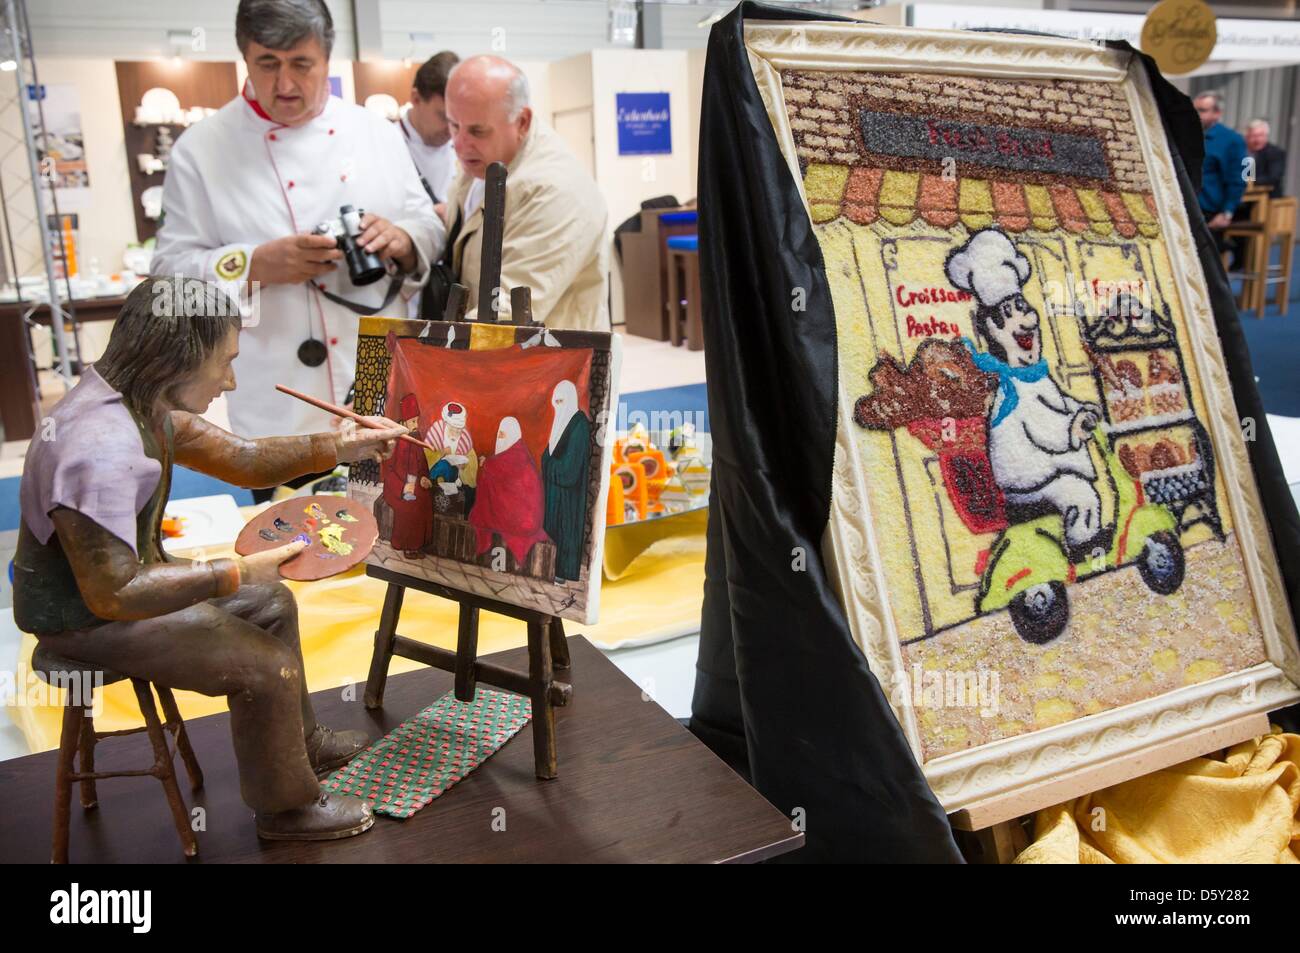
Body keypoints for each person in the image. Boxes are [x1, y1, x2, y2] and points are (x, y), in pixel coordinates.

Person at [12, 277, 409, 841]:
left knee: (270, 601)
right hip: (83, 618)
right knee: (265, 665)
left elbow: (242, 459)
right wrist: (235, 571)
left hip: (113, 594)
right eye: (224, 363)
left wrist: (342, 445)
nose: (230, 381)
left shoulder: (135, 402)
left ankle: (298, 747)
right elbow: (115, 594)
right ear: (179, 358)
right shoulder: (98, 445)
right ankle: (287, 810)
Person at [152, 0, 443, 487]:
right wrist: (252, 264)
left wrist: (404, 238)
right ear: (244, 57)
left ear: (327, 60)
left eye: (301, 65)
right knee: (288, 546)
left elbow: (427, 225)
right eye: (268, 64)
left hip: (379, 374)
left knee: (393, 526)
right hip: (274, 394)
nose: (284, 84)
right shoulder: (201, 149)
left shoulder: (376, 133)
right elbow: (166, 284)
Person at [945, 229, 1108, 563]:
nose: (1027, 321)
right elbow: (1042, 426)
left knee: (1078, 488)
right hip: (1026, 481)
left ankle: (1084, 538)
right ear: (991, 332)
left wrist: (1080, 410)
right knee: (1080, 494)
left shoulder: (1036, 375)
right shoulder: (1014, 385)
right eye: (1010, 317)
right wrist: (1072, 430)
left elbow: (1059, 403)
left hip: (1048, 470)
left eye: (1024, 310)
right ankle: (1082, 545)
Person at [443, 55, 609, 330]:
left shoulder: (556, 192)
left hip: (551, 368)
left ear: (521, 121)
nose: (459, 144)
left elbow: (505, 314)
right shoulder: (481, 164)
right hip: (495, 361)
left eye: (477, 130)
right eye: (453, 125)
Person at [468, 417, 549, 568]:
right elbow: (502, 472)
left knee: (482, 506)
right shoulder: (519, 453)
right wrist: (489, 463)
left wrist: (487, 464)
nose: (500, 438)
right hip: (527, 519)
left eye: (504, 435)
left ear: (513, 436)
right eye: (500, 434)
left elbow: (502, 469)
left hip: (522, 520)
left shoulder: (516, 455)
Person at [541, 380, 591, 581]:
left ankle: (563, 572)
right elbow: (547, 456)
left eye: (562, 401)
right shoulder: (561, 424)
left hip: (568, 500)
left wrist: (550, 465)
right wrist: (549, 462)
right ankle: (553, 570)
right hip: (555, 496)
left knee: (566, 532)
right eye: (556, 402)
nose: (558, 407)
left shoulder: (579, 426)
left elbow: (569, 471)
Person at [400, 51, 460, 206]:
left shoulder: (466, 147)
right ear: (416, 99)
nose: (451, 130)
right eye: (444, 117)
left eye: (457, 121)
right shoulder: (385, 144)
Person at [1192, 91, 1247, 252]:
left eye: (1202, 110)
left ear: (1217, 113)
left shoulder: (1232, 140)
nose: (1195, 114)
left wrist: (1227, 212)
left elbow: (1239, 178)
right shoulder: (1187, 134)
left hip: (1209, 211)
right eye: (1194, 109)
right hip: (1184, 205)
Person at [381, 394, 434, 558]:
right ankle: (407, 545)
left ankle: (420, 544)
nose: (416, 425)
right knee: (410, 505)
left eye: (417, 421)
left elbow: (423, 464)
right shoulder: (395, 440)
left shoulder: (416, 437)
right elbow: (389, 467)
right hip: (397, 484)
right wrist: (404, 485)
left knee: (425, 499)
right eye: (412, 422)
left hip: (414, 483)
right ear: (404, 422)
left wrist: (425, 477)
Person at [424, 400, 477, 517]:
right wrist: (441, 453)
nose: (456, 432)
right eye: (453, 429)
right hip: (435, 476)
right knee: (444, 466)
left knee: (468, 493)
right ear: (446, 424)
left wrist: (464, 467)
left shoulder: (465, 439)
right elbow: (425, 458)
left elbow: (472, 467)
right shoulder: (436, 432)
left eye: (459, 430)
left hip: (457, 479)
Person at [1245, 119, 1287, 198]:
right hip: (1244, 196)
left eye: (1260, 135)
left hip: (1267, 199)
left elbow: (1273, 177)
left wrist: (1250, 182)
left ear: (1266, 136)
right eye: (1253, 136)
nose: (1257, 140)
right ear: (1247, 137)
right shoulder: (1243, 152)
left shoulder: (1275, 153)